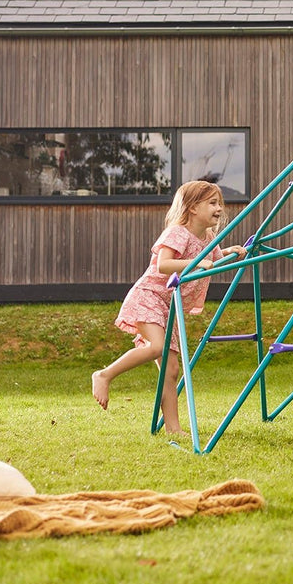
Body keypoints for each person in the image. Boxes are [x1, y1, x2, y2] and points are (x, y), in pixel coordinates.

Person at [92, 180, 245, 433]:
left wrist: (230, 251)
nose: (219, 208)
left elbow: (214, 259)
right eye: (212, 203)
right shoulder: (177, 232)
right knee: (156, 347)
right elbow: (163, 265)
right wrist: (196, 263)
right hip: (150, 296)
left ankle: (174, 428)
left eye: (220, 203)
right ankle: (104, 375)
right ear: (193, 207)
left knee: (171, 370)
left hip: (169, 307)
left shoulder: (208, 237)